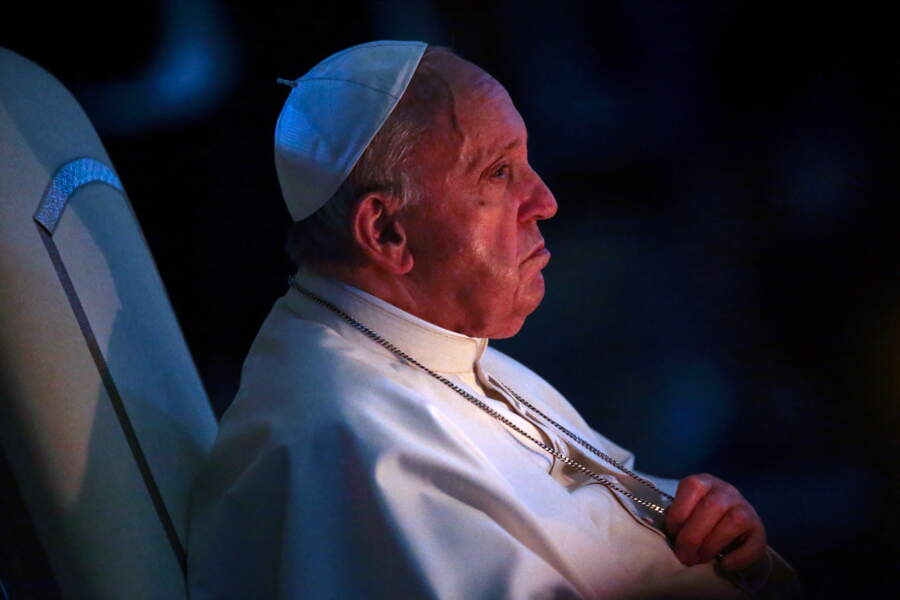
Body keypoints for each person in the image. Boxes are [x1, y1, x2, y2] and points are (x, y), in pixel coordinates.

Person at [187, 41, 800, 599]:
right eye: (498, 173)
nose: (545, 201)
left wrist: (734, 552)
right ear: (386, 231)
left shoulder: (442, 350)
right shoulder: (357, 447)